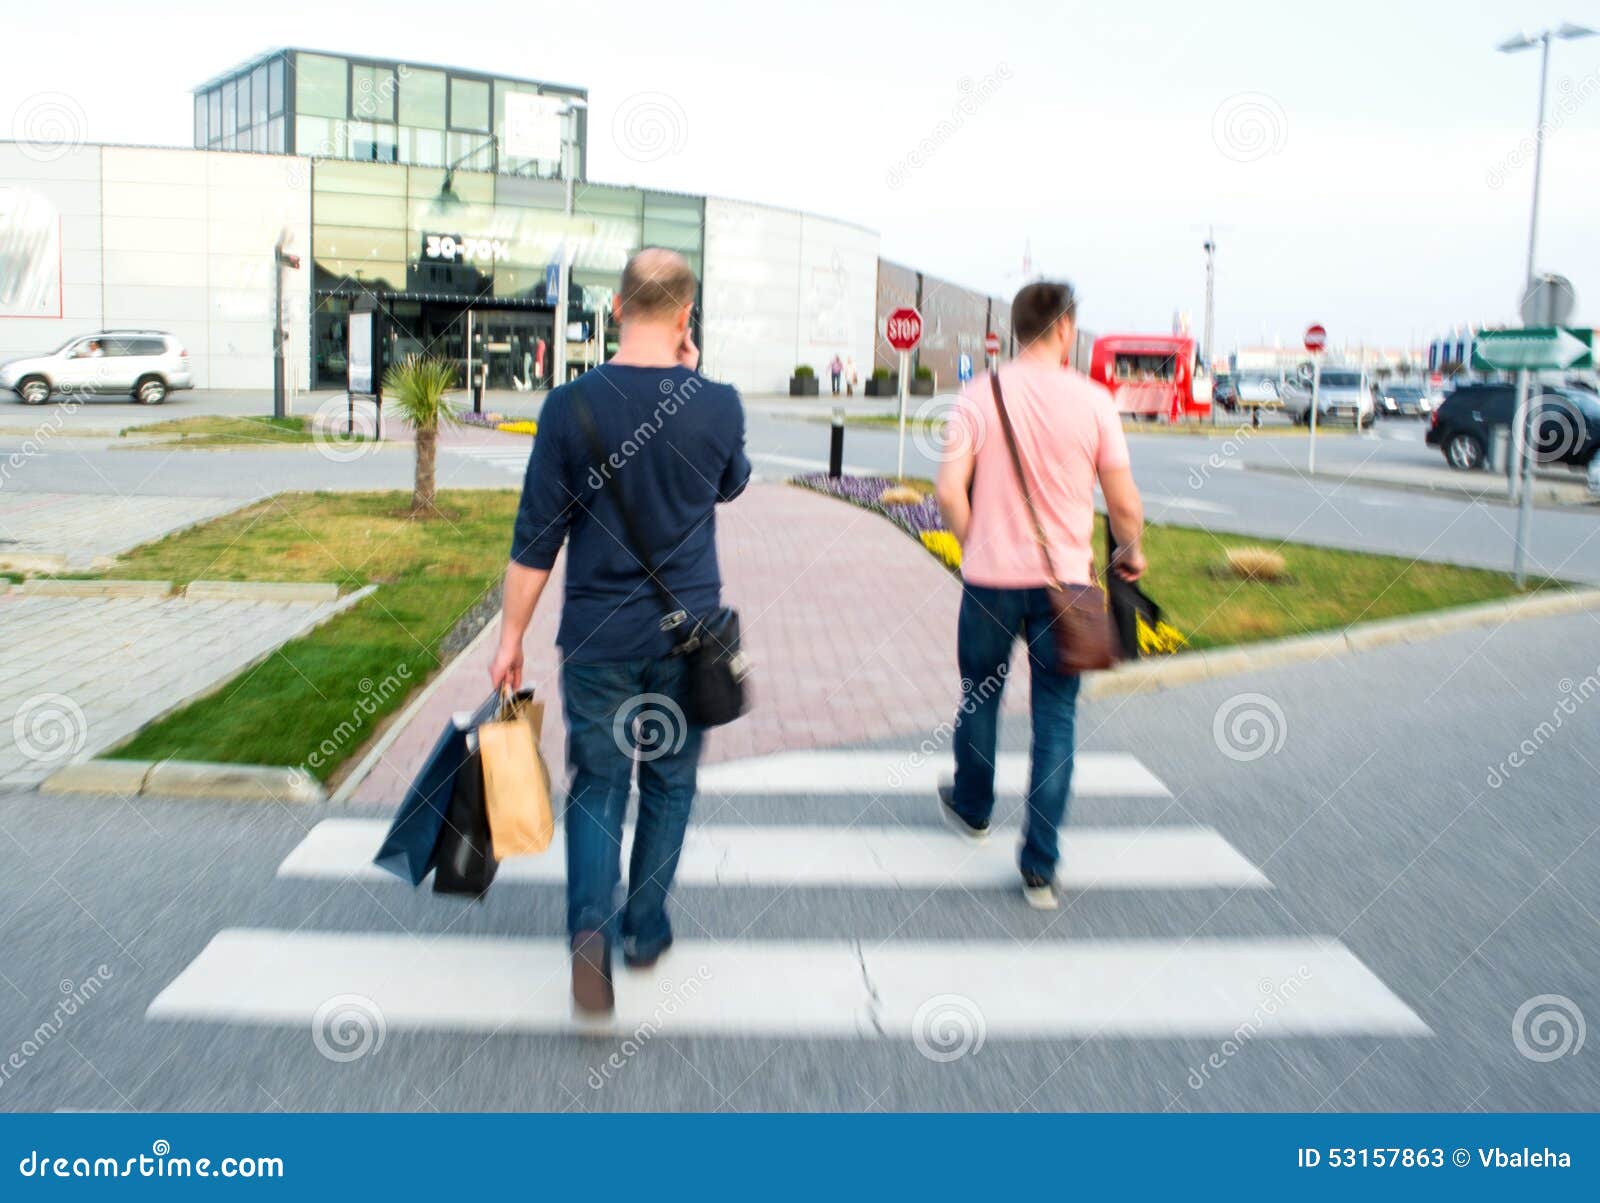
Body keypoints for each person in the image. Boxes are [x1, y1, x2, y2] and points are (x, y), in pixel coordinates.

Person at [491, 248, 751, 1015]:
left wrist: (510, 638)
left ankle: (588, 935)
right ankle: (644, 929)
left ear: (615, 309)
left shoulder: (570, 405)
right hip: (689, 641)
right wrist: (693, 375)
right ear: (684, 316)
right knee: (669, 783)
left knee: (599, 784)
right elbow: (730, 483)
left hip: (597, 640)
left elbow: (536, 538)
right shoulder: (718, 402)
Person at [933, 280, 1146, 910]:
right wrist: (1128, 554)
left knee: (981, 694)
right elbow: (1125, 506)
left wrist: (976, 546)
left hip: (990, 582)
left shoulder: (976, 396)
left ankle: (973, 806)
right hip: (1067, 585)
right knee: (1056, 716)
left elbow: (948, 492)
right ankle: (1039, 864)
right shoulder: (1095, 401)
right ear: (1063, 329)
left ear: (1019, 329)